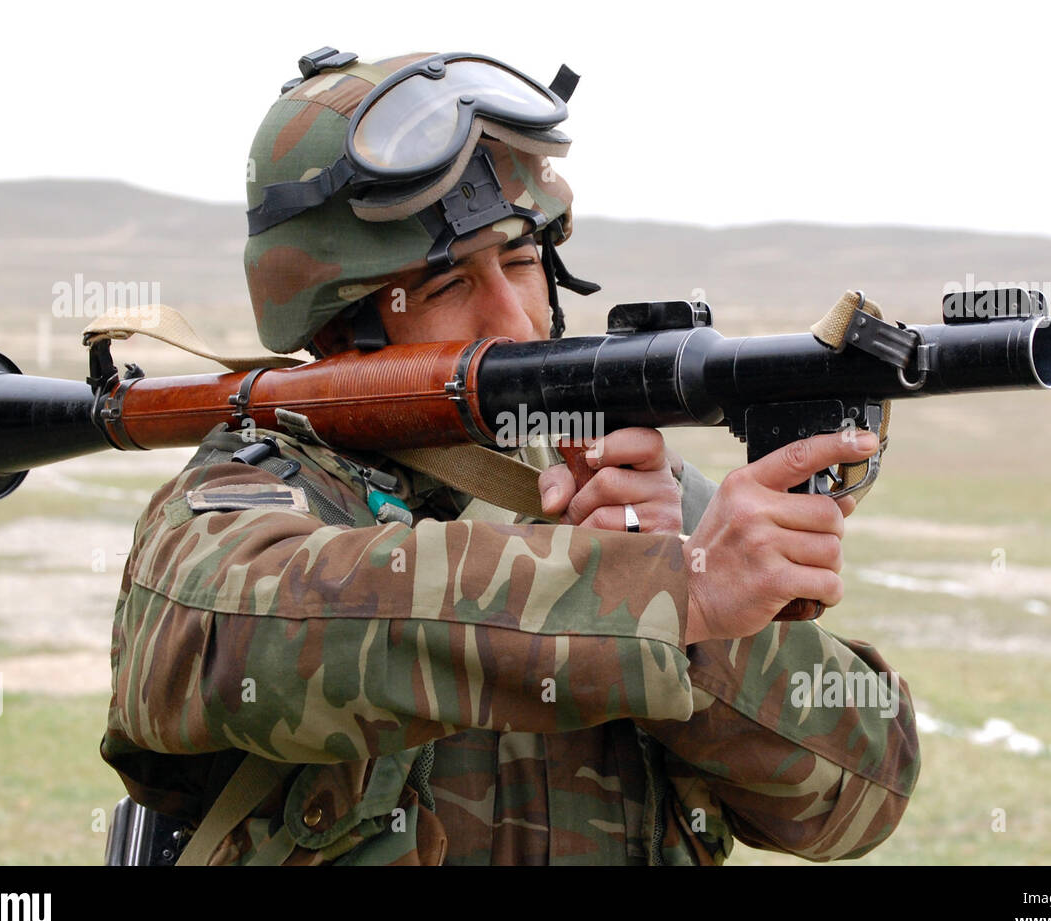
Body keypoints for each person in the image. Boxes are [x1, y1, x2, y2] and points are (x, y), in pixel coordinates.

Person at [99, 47, 920, 866]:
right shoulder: (256, 487)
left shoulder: (633, 493)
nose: (516, 319)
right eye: (449, 284)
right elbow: (241, 640)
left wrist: (706, 622)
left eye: (523, 262)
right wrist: (669, 594)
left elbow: (863, 799)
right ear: (342, 324)